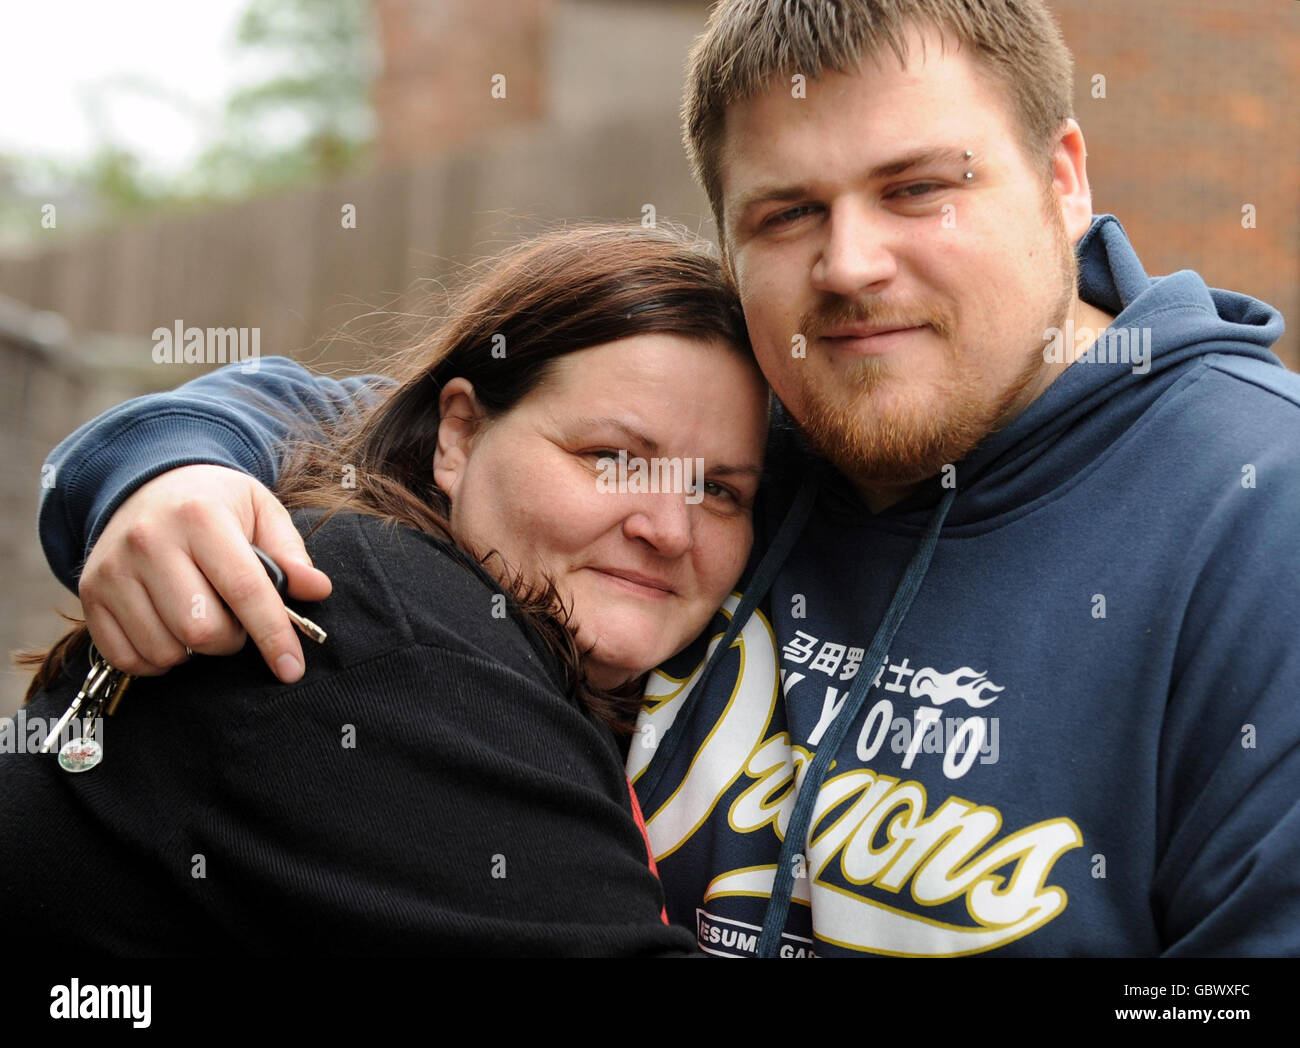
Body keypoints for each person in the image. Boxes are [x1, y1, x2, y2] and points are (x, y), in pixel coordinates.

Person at [30, 1, 1300, 957]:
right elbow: (387, 425)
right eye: (785, 214)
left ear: (1062, 176)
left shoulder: (1257, 516)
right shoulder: (786, 408)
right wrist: (162, 468)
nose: (849, 263)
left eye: (918, 187)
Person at [1, 223, 771, 955]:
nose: (669, 530)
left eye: (719, 491)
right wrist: (164, 459)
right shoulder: (392, 638)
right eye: (610, 456)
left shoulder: (474, 583)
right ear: (459, 435)